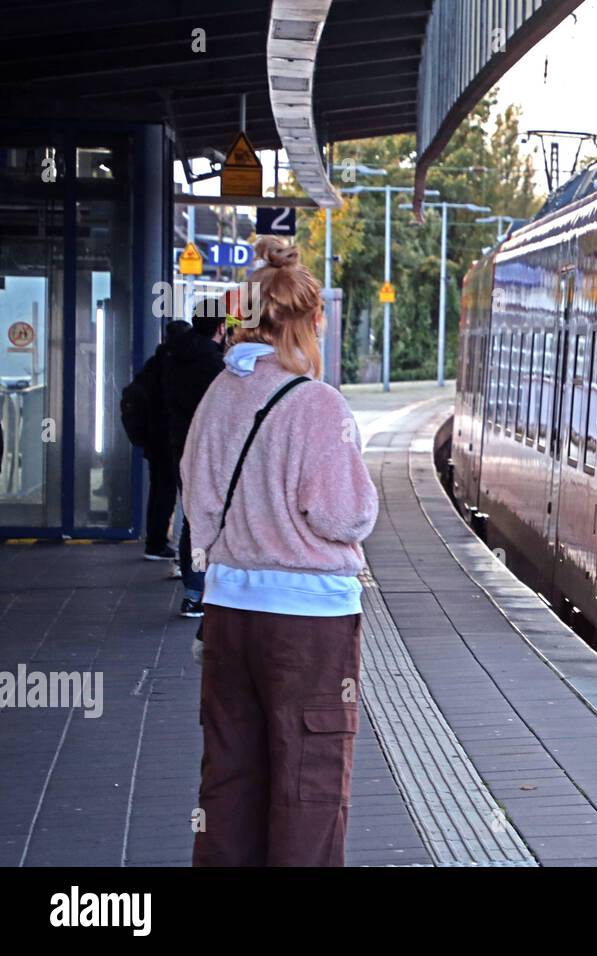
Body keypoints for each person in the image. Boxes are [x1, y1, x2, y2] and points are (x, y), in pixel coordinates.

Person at [182, 236, 377, 867]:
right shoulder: (317, 403)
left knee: (230, 778)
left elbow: (198, 505)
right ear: (311, 321)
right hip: (307, 625)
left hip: (229, 614)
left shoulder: (217, 398)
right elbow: (344, 514)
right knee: (307, 785)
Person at [162, 305, 227, 617]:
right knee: (212, 518)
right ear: (220, 328)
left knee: (192, 518)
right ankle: (206, 589)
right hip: (210, 449)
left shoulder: (172, 356)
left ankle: (193, 592)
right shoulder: (216, 365)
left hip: (179, 442)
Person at [122, 319, 188, 559]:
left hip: (153, 438)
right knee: (167, 491)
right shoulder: (175, 365)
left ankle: (155, 540)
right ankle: (157, 543)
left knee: (158, 488)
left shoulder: (154, 363)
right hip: (167, 437)